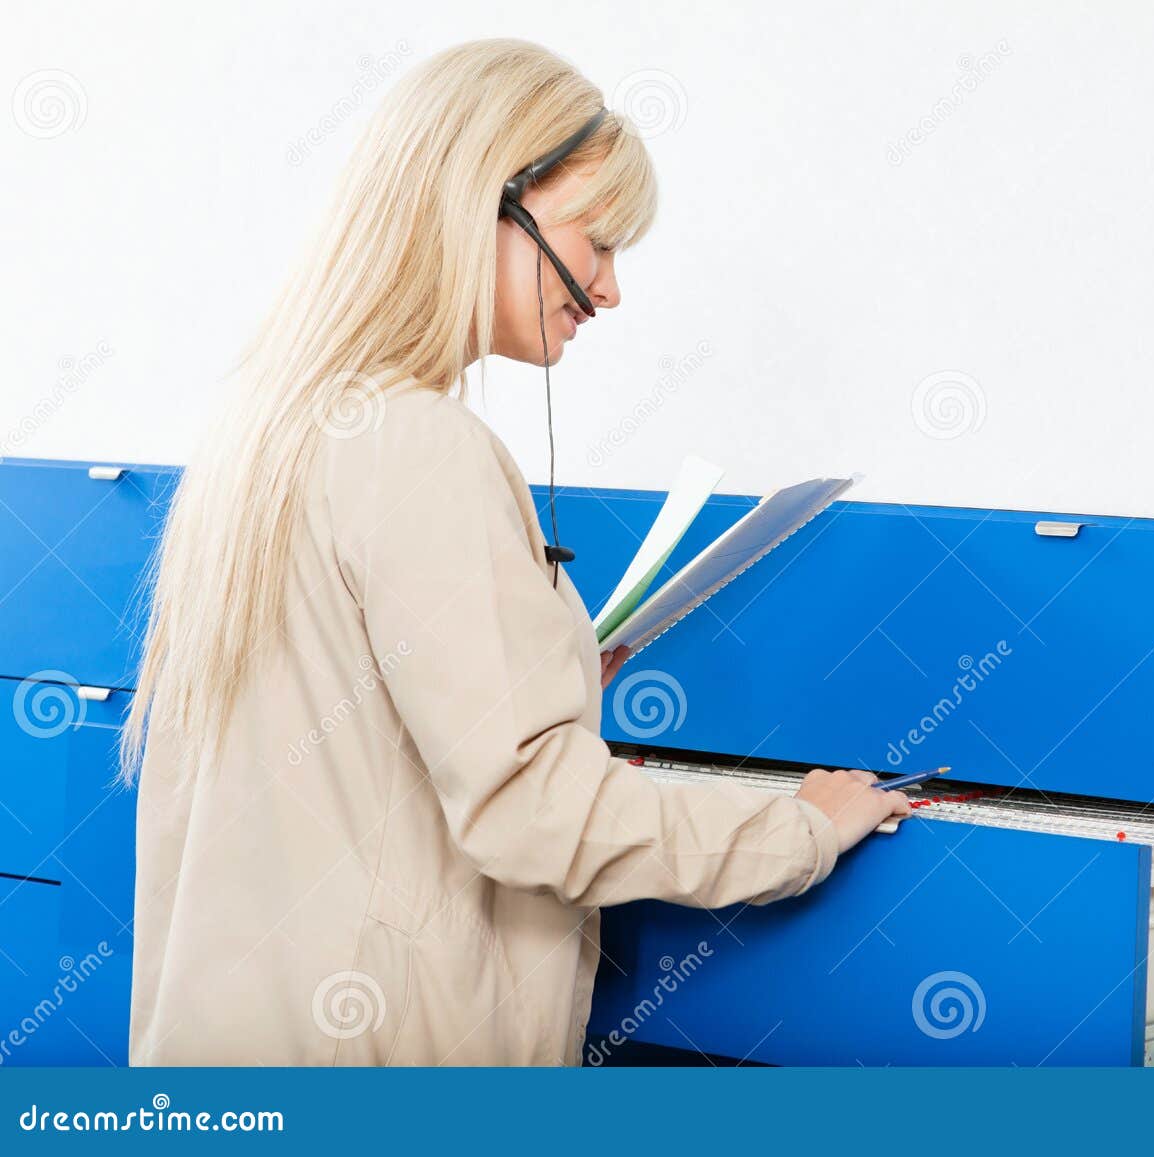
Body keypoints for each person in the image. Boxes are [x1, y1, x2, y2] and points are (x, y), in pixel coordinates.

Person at [123, 38, 909, 1065]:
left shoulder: (273, 429)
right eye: (599, 242)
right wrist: (801, 828)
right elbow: (532, 812)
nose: (610, 289)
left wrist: (541, 666)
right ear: (492, 202)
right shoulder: (420, 445)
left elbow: (344, 727)